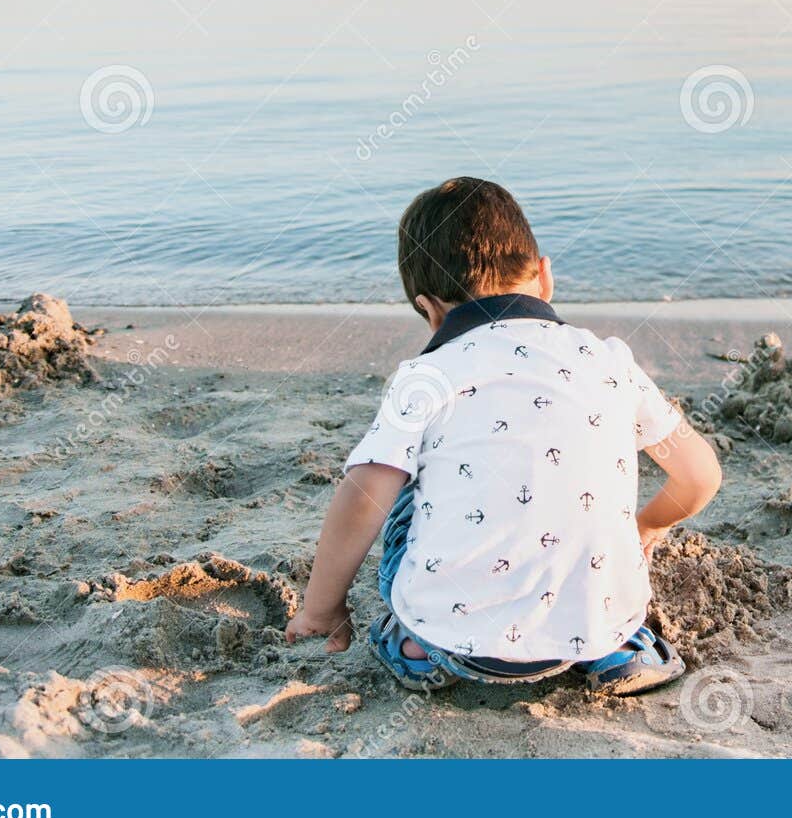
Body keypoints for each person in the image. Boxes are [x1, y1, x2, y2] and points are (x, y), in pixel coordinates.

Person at [285, 176, 721, 694]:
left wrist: (321, 609)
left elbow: (362, 495)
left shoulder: (425, 377)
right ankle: (617, 652)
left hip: (457, 641)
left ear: (429, 310)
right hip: (597, 622)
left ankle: (416, 648)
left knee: (399, 486)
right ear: (544, 276)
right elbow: (700, 477)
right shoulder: (610, 360)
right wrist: (645, 528)